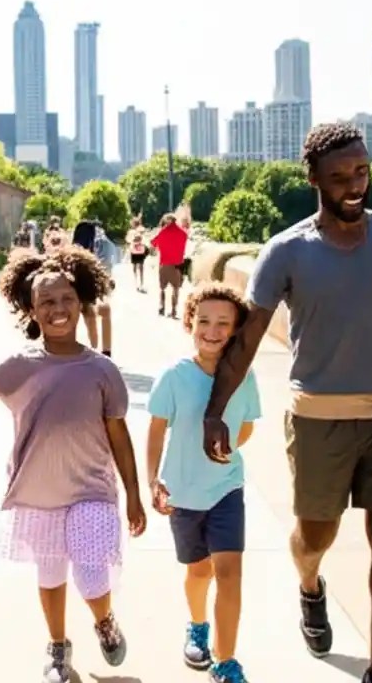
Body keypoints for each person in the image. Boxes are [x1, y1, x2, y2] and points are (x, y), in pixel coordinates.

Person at [201, 123, 372, 683]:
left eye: (362, 172)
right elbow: (248, 337)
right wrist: (214, 410)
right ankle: (310, 583)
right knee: (315, 536)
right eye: (340, 177)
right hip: (320, 419)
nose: (354, 185)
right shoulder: (286, 250)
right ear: (314, 180)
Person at [0, 247, 146, 683]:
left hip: (92, 490)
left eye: (66, 299)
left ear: (80, 302)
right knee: (50, 571)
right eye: (46, 302)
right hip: (38, 491)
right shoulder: (19, 364)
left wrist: (134, 494)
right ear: (31, 309)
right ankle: (58, 647)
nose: (58, 308)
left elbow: (119, 435)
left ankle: (103, 619)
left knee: (91, 568)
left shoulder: (102, 370)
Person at [147, 283, 261, 683]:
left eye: (223, 324)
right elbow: (157, 430)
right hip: (184, 492)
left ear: (236, 330)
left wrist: (228, 449)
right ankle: (198, 624)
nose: (212, 330)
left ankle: (226, 661)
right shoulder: (175, 376)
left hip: (227, 487)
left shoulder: (245, 378)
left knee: (229, 571)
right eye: (204, 321)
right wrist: (153, 479)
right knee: (199, 572)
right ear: (190, 323)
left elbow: (245, 426)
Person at [72, 220, 114, 357]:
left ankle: (94, 349)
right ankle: (106, 351)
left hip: (81, 290)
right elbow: (107, 264)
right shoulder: (101, 246)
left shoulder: (74, 250)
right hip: (97, 287)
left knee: (90, 317)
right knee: (105, 312)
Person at [150, 213, 187, 318]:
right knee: (176, 289)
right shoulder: (182, 233)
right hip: (178, 265)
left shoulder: (163, 232)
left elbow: (153, 243)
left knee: (163, 288)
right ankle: (174, 310)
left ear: (167, 221)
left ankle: (162, 307)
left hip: (164, 264)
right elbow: (184, 241)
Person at [126, 216, 148, 291]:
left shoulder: (131, 231)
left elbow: (128, 240)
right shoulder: (142, 230)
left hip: (134, 251)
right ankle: (141, 283)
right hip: (141, 250)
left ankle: (136, 283)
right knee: (141, 268)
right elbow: (145, 240)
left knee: (135, 268)